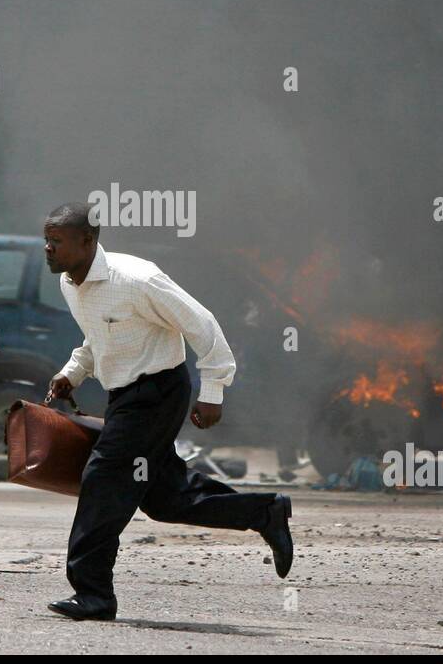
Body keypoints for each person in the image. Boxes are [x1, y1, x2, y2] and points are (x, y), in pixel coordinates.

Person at [42, 203, 290, 622]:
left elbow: (202, 324)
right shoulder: (72, 282)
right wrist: (74, 372)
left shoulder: (137, 279)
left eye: (58, 241)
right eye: (46, 240)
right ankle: (263, 512)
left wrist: (213, 390)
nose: (48, 248)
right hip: (125, 396)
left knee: (104, 478)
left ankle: (93, 594)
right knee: (165, 498)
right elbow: (97, 335)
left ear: (88, 241)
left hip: (157, 393)